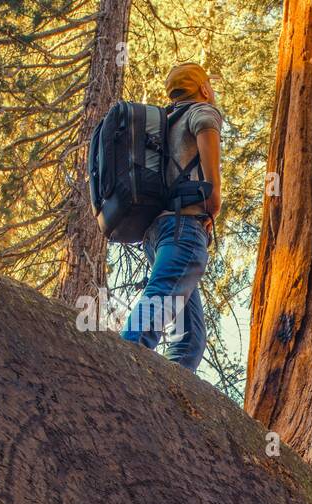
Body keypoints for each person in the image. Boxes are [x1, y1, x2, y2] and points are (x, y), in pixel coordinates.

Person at [121, 63, 223, 371]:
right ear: (203, 89)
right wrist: (214, 194)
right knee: (159, 300)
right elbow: (207, 123)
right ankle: (120, 366)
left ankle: (171, 406)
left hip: (156, 234)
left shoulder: (162, 124)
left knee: (191, 338)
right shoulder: (200, 111)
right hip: (184, 230)